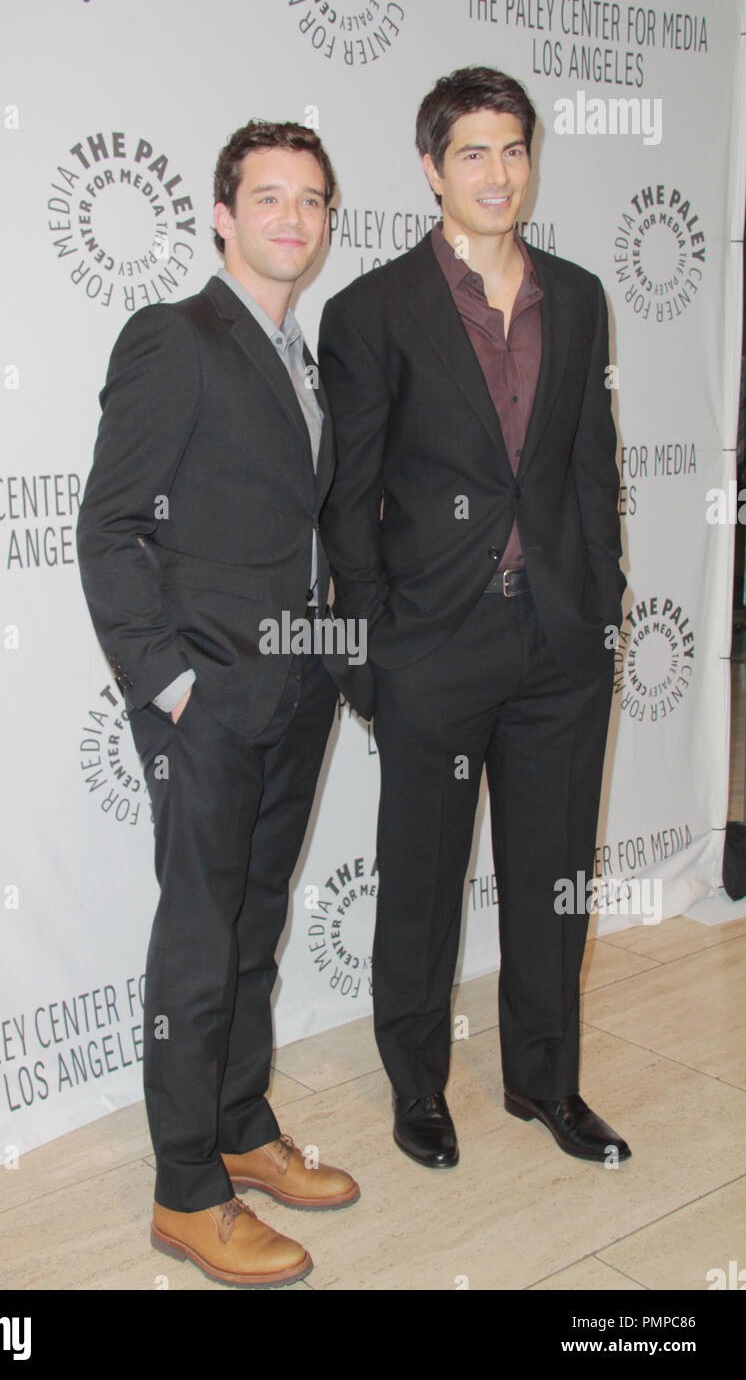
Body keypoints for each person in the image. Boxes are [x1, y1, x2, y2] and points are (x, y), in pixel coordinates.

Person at [318, 68, 630, 1172]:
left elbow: (589, 473)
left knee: (552, 877)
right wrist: (369, 660)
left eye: (512, 150)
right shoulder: (369, 311)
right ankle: (417, 1089)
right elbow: (346, 502)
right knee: (419, 883)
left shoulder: (581, 295)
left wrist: (606, 603)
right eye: (473, 154)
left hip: (557, 643)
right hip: (430, 649)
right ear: (429, 168)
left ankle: (544, 1082)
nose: (497, 174)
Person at [77, 120, 370, 1288]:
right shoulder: (174, 337)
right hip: (207, 701)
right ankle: (184, 1189)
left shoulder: (304, 358)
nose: (291, 218)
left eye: (310, 200)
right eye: (267, 198)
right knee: (199, 942)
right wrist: (171, 685)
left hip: (293, 690)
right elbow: (109, 530)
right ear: (220, 214)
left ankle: (242, 1127)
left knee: (254, 922)